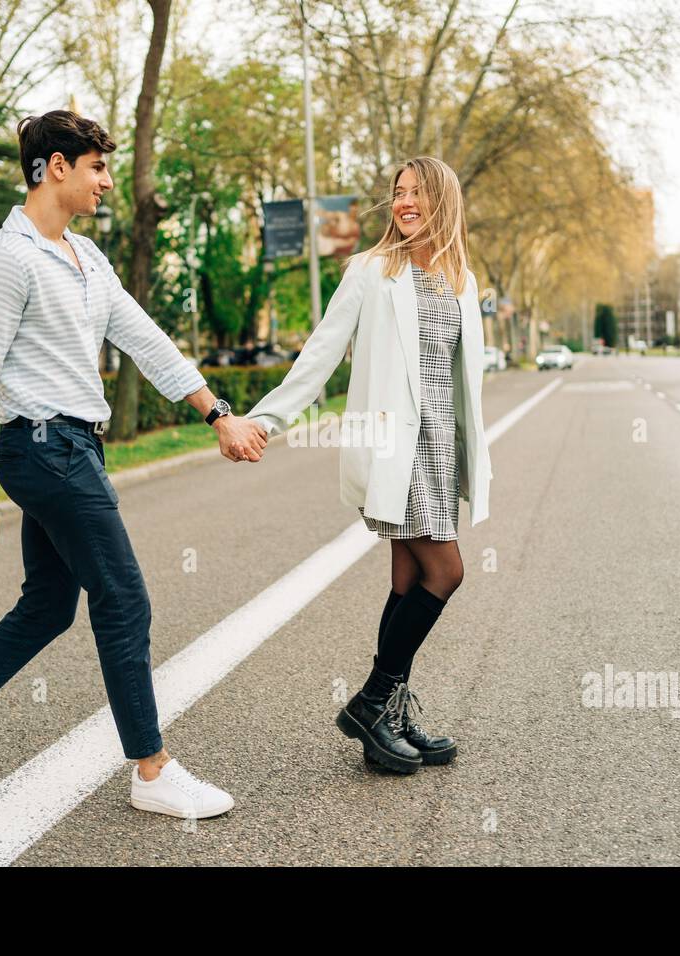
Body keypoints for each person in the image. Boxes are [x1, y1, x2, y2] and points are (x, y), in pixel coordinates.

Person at [0, 110, 267, 820]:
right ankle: (152, 771)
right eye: (96, 168)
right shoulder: (9, 259)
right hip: (40, 447)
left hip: (75, 446)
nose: (107, 182)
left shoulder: (87, 260)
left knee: (48, 607)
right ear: (55, 167)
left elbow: (147, 341)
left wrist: (218, 415)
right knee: (123, 599)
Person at [245, 157, 492, 774]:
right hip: (395, 449)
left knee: (407, 582)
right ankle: (373, 700)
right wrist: (265, 420)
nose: (405, 203)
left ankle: (391, 714)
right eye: (398, 193)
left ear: (443, 201)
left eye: (417, 193)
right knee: (448, 571)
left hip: (437, 446)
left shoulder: (461, 280)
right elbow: (321, 352)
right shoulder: (371, 270)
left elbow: (462, 380)